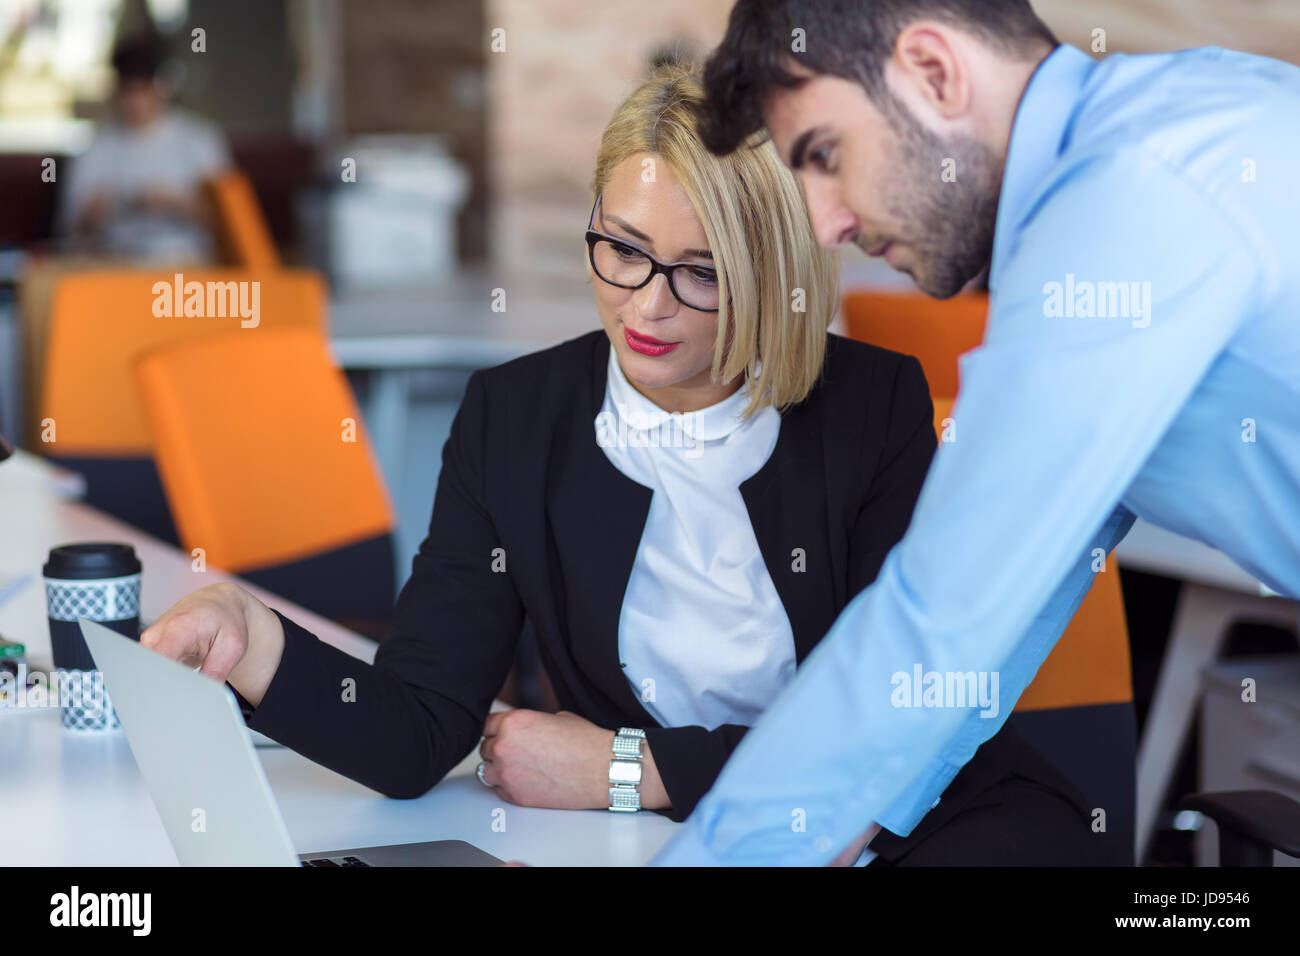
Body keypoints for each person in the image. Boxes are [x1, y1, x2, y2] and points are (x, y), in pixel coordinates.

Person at [138, 63, 1098, 865]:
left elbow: (882, 739)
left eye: (702, 270)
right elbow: (420, 726)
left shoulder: (872, 409)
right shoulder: (514, 420)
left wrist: (625, 769)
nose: (647, 307)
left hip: (930, 838)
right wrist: (252, 641)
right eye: (622, 250)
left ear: (771, 271)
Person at [649, 0, 1300, 866]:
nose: (824, 225)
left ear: (934, 73)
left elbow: (939, 611)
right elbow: (1005, 607)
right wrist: (848, 819)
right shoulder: (1162, 129)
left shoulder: (1133, 194)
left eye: (826, 156)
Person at [60, 33, 231, 262]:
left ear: (163, 86)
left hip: (187, 268)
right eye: (128, 91)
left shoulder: (199, 139)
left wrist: (175, 204)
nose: (136, 101)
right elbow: (71, 227)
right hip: (116, 266)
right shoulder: (97, 145)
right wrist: (100, 211)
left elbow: (228, 221)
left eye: (144, 89)